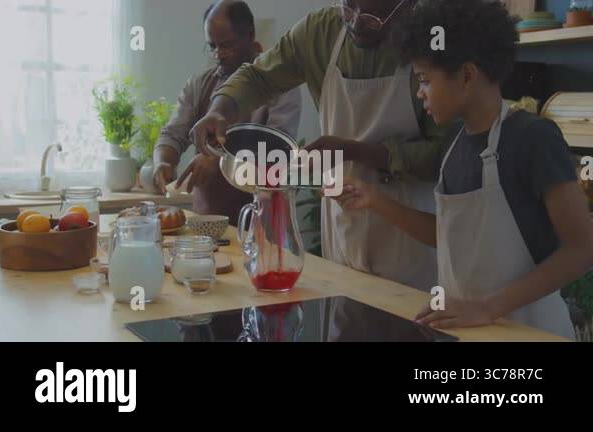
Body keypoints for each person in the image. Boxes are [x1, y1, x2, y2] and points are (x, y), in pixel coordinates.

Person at [333, 0, 593, 338]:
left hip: (529, 332)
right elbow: (448, 234)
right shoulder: (455, 143)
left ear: (467, 75)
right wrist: (373, 200)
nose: (419, 92)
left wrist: (488, 307)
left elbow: (581, 249)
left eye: (424, 80)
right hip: (474, 330)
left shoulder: (534, 138)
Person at [192, 0, 451, 291]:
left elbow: (444, 156)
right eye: (348, 7)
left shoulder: (435, 39)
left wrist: (354, 151)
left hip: (411, 241)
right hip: (342, 231)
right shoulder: (321, 32)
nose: (355, 23)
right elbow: (258, 76)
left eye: (374, 16)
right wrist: (219, 110)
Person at [153, 0, 302, 226]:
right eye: (212, 46)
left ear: (250, 35)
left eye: (227, 45)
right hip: (207, 226)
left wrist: (219, 158)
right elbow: (173, 134)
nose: (218, 55)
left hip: (262, 227)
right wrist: (163, 162)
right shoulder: (200, 82)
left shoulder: (281, 86)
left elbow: (276, 149)